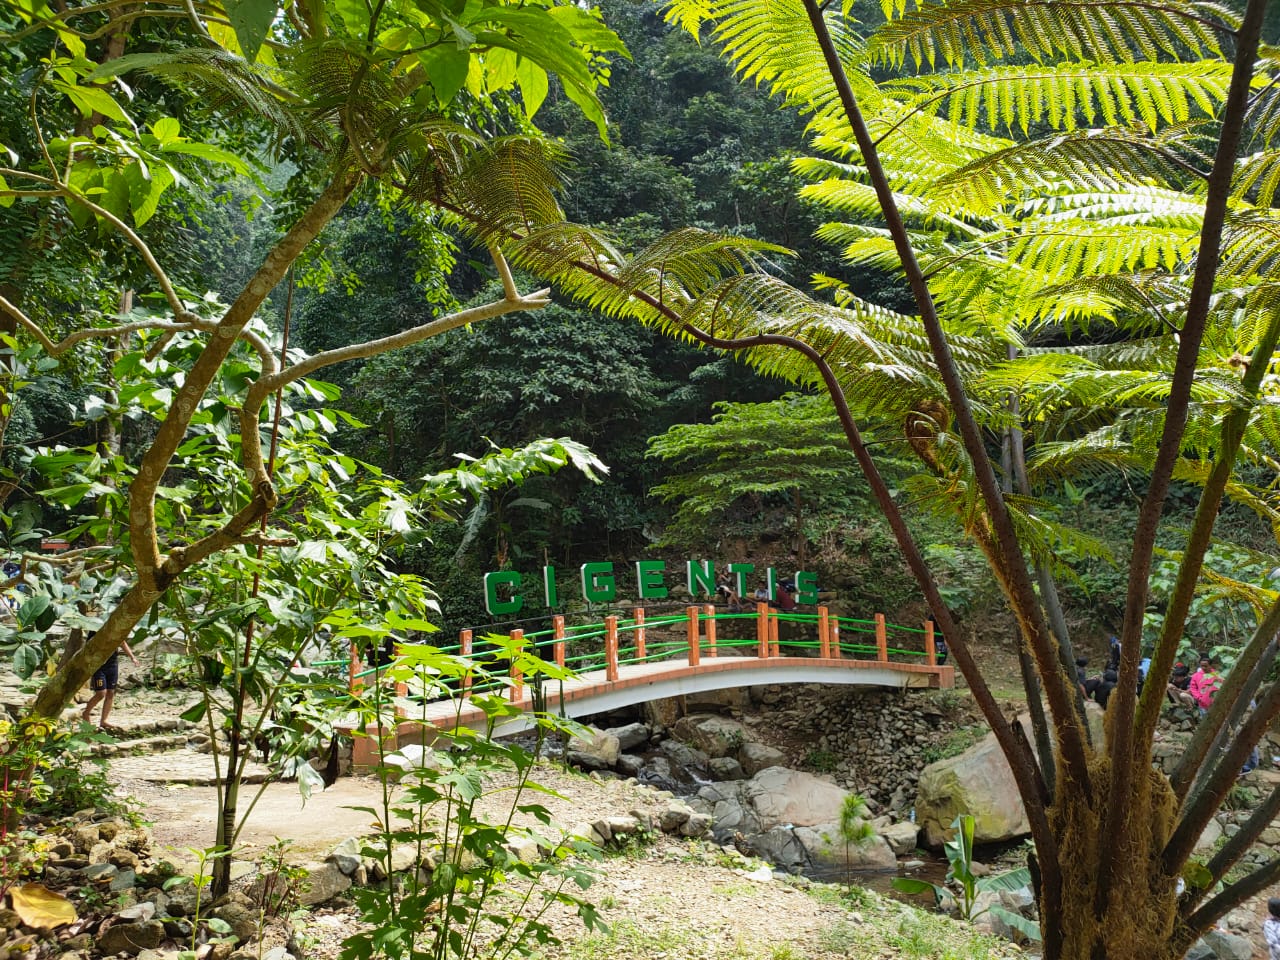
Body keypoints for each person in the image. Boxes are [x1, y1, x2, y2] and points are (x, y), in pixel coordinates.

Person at [82, 638, 140, 730]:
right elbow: (89, 646)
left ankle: (103, 721)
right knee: (101, 693)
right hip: (98, 666)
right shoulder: (94, 631)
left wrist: (132, 657)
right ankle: (86, 713)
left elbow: (122, 642)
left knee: (111, 692)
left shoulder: (117, 631)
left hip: (112, 665)